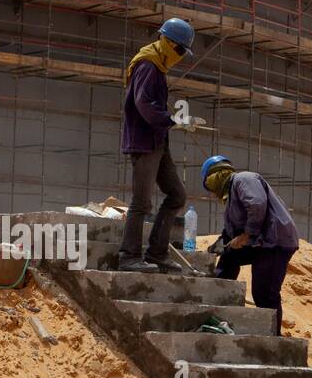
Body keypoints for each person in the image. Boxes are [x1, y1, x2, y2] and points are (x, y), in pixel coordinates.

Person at [116, 18, 194, 274]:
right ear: (168, 43)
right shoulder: (148, 65)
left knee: (177, 195)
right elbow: (143, 103)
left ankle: (158, 253)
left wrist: (174, 121)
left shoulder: (157, 67)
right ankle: (129, 257)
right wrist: (170, 120)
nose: (181, 56)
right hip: (144, 142)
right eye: (180, 49)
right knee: (141, 202)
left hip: (157, 141)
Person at [199, 156, 299, 334]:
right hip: (259, 244)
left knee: (264, 292)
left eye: (210, 187)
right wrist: (214, 250)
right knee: (229, 256)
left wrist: (247, 234)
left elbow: (257, 204)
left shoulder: (243, 179)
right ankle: (221, 297)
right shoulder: (231, 201)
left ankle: (273, 339)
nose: (212, 193)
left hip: (274, 242)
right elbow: (230, 234)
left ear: (215, 177)